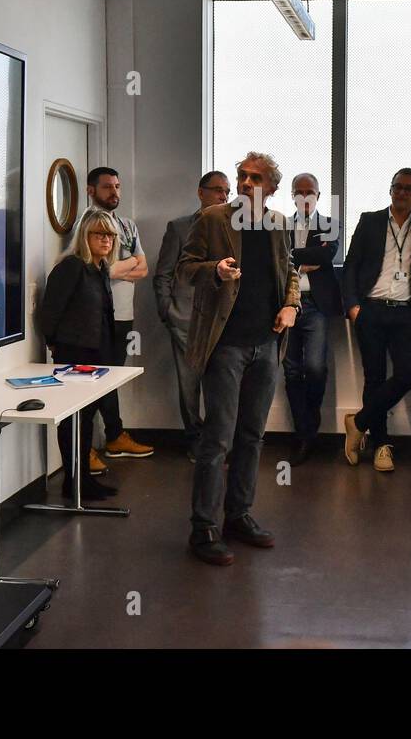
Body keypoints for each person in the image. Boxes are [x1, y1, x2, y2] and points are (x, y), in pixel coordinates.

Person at [178, 151, 300, 565]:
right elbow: (184, 268)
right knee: (218, 438)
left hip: (267, 343)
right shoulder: (214, 219)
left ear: (271, 187)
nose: (246, 183)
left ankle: (239, 515)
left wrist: (292, 306)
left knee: (252, 435)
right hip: (224, 344)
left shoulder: (280, 223)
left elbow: (291, 270)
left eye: (255, 178)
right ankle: (203, 528)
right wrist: (215, 270)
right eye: (242, 176)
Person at [341, 169, 411, 473]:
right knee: (375, 378)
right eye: (397, 187)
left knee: (409, 374)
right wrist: (353, 307)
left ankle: (357, 423)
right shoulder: (370, 220)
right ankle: (381, 445)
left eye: (409, 188)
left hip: (405, 310)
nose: (402, 192)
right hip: (370, 309)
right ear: (390, 190)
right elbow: (351, 266)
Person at [36, 208, 124, 502]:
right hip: (74, 353)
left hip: (98, 353)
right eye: (100, 233)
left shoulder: (100, 269)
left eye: (110, 234)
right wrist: (55, 345)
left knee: (87, 418)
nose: (106, 239)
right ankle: (74, 480)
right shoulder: (71, 266)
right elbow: (50, 313)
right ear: (85, 236)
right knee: (75, 419)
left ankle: (83, 479)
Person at [153, 170, 231, 461]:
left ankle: (218, 441)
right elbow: (163, 275)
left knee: (221, 385)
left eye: (227, 191)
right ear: (201, 193)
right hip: (185, 318)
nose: (223, 196)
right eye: (217, 190)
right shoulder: (179, 227)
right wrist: (168, 312)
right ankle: (194, 440)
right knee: (189, 387)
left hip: (222, 320)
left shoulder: (233, 228)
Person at [84, 166, 153, 468]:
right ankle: (88, 445)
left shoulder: (127, 225)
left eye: (117, 186)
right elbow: (99, 271)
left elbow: (144, 268)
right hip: (96, 316)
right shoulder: (87, 224)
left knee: (110, 379)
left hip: (124, 313)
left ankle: (114, 437)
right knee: (96, 381)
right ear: (91, 191)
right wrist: (126, 267)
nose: (114, 192)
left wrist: (117, 268)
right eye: (107, 187)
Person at [284, 172, 341, 466]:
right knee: (292, 370)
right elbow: (278, 258)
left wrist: (293, 256)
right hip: (287, 304)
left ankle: (310, 423)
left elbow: (327, 255)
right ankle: (303, 434)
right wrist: (306, 259)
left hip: (316, 305)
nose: (304, 196)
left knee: (315, 367)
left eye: (310, 192)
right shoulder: (280, 223)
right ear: (292, 195)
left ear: (318, 196)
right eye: (299, 191)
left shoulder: (330, 224)